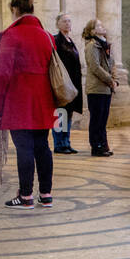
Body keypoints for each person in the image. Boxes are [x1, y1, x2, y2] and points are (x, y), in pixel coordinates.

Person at [0, 0, 56, 208]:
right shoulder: (46, 35)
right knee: (42, 147)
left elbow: (2, 74)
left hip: (19, 100)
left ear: (14, 9)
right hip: (43, 99)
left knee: (24, 148)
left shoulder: (11, 35)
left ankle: (26, 196)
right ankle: (45, 195)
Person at [82, 18, 118, 156]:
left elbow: (112, 64)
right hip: (96, 88)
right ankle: (96, 146)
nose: (103, 27)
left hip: (106, 88)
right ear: (92, 30)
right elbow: (95, 66)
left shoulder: (106, 45)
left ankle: (104, 145)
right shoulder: (92, 45)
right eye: (99, 25)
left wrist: (115, 80)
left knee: (103, 119)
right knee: (96, 119)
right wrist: (110, 80)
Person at [51, 13, 83, 154]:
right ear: (58, 24)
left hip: (72, 84)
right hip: (61, 83)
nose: (67, 24)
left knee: (68, 114)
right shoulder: (56, 40)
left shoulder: (70, 40)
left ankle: (66, 142)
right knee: (59, 114)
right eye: (64, 21)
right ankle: (59, 143)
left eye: (69, 21)